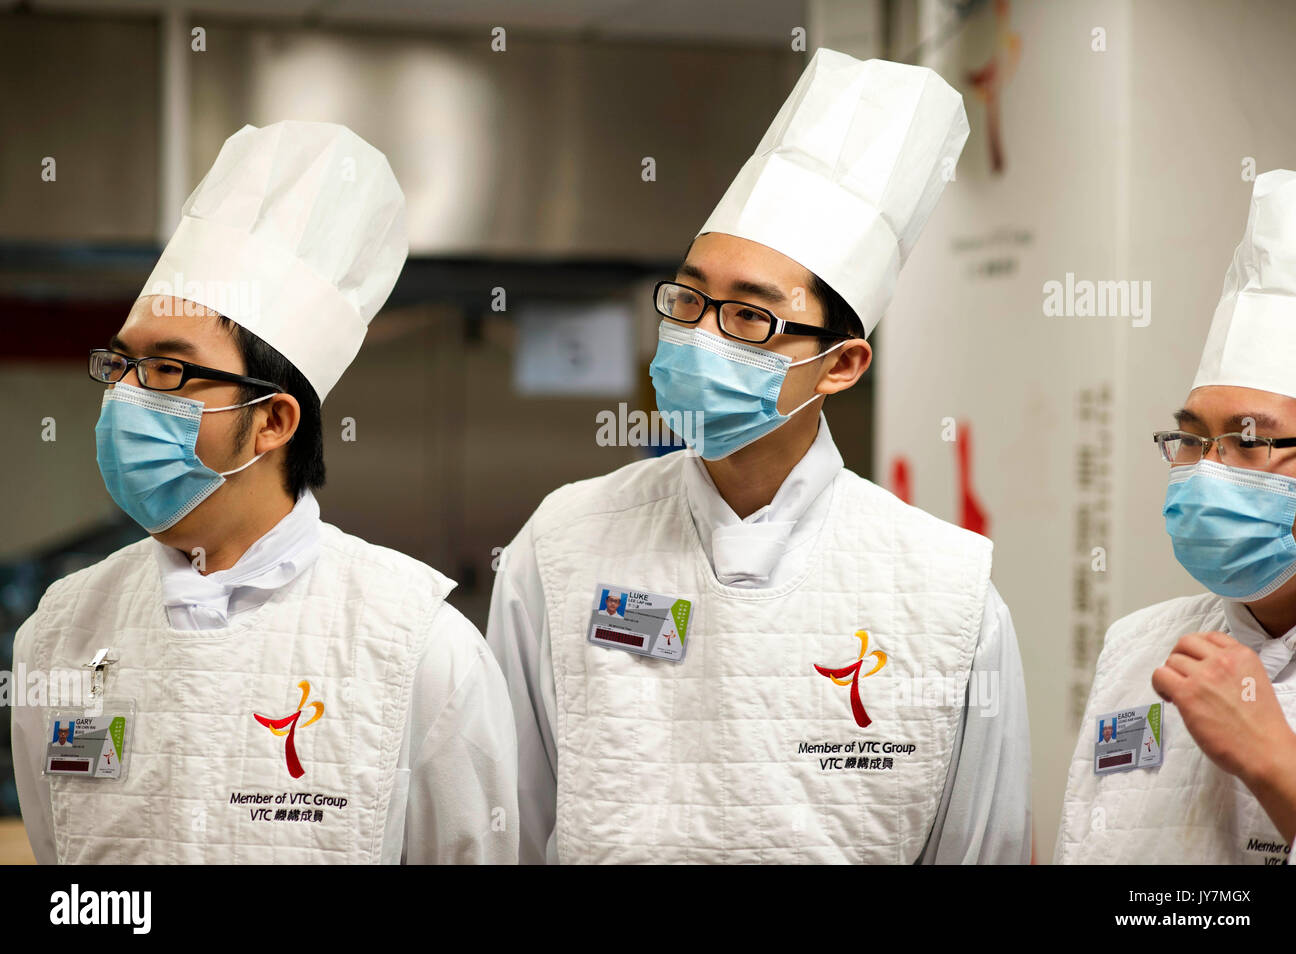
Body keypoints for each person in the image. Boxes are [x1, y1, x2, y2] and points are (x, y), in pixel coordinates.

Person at [486, 50, 1032, 865]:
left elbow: (983, 850)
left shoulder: (945, 591)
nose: (700, 335)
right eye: (691, 299)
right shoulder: (564, 544)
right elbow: (507, 827)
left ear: (841, 364)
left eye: (750, 318)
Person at [10, 121, 518, 865]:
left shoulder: (418, 647)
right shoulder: (58, 634)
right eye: (121, 364)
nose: (122, 397)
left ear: (272, 421)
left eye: (168, 372)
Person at [1056, 170, 1296, 865]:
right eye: (1192, 439)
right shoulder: (1139, 647)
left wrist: (1279, 764)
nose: (1208, 470)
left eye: (1250, 441)